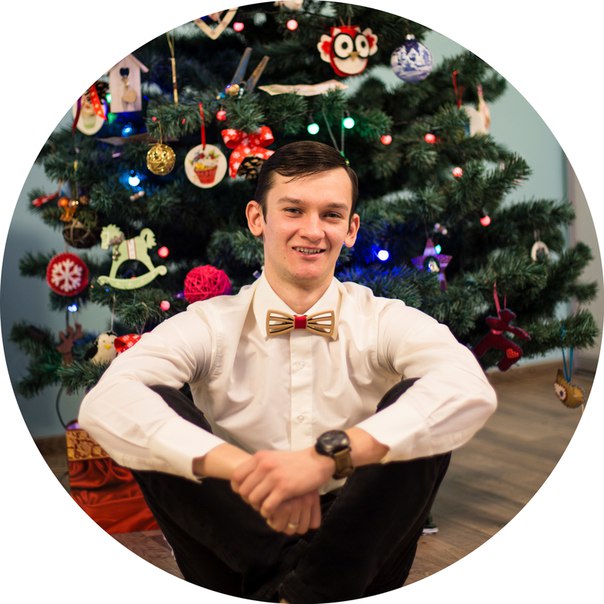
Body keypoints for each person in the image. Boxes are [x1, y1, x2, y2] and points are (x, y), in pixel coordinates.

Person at [79, 140, 497, 603]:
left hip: (360, 538)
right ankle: (307, 589)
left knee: (424, 410)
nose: (312, 231)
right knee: (150, 402)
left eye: (331, 215)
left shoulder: (384, 320)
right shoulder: (209, 325)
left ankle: (295, 591)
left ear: (351, 229)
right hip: (235, 537)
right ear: (257, 218)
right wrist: (248, 470)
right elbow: (107, 400)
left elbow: (466, 386)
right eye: (293, 210)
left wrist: (324, 459)